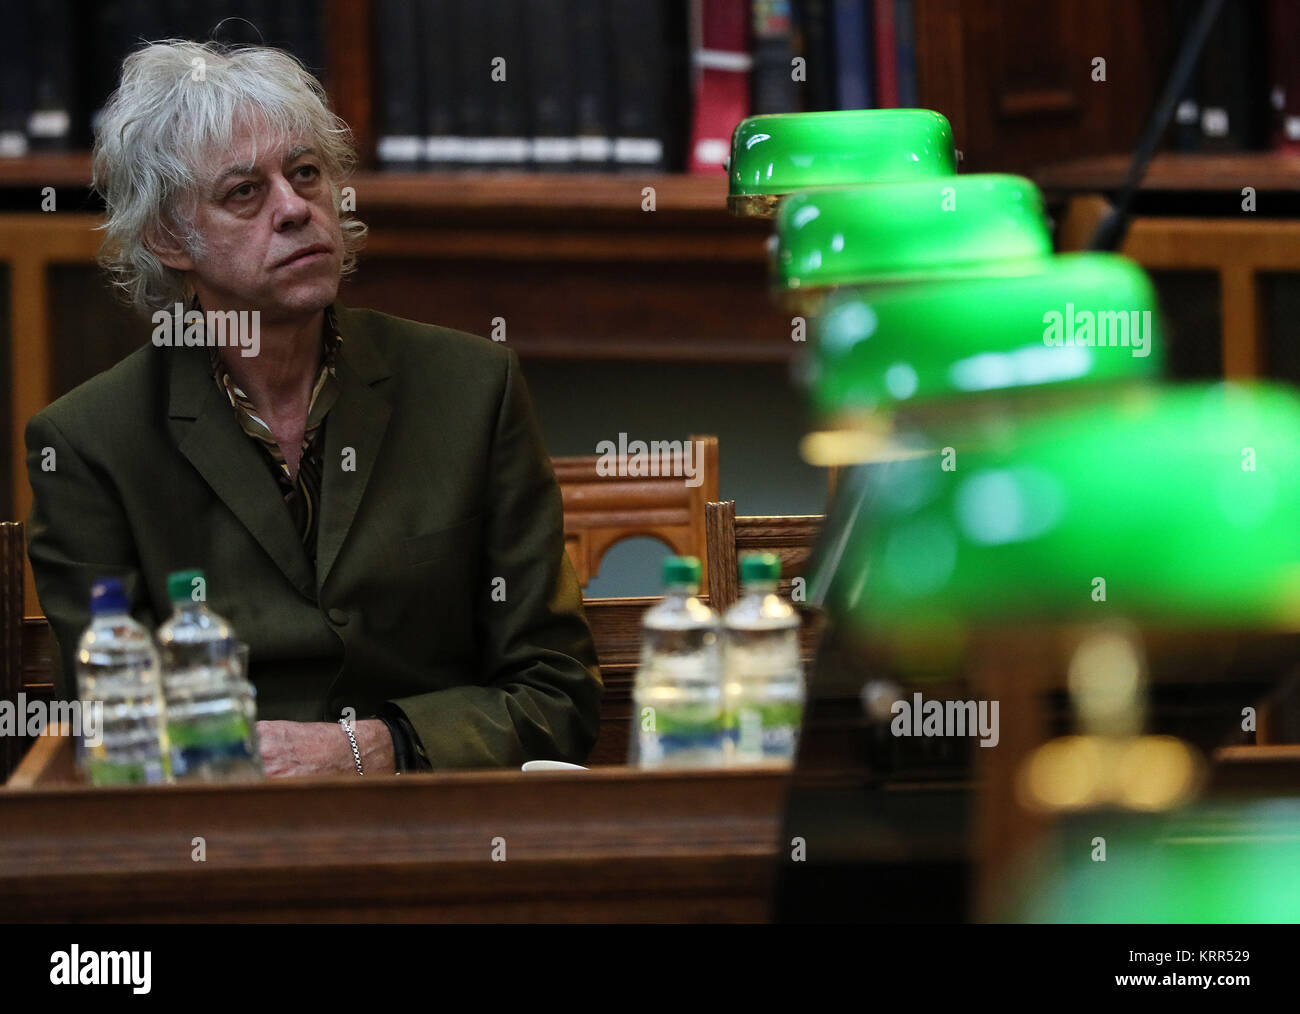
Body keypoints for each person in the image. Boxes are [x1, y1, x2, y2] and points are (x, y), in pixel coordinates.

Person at [24, 41, 602, 776]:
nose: (295, 209)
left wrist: (369, 749)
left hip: (439, 832)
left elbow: (557, 697)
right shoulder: (89, 444)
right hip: (223, 850)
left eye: (305, 175)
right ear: (172, 238)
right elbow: (116, 738)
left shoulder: (471, 388)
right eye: (245, 193)